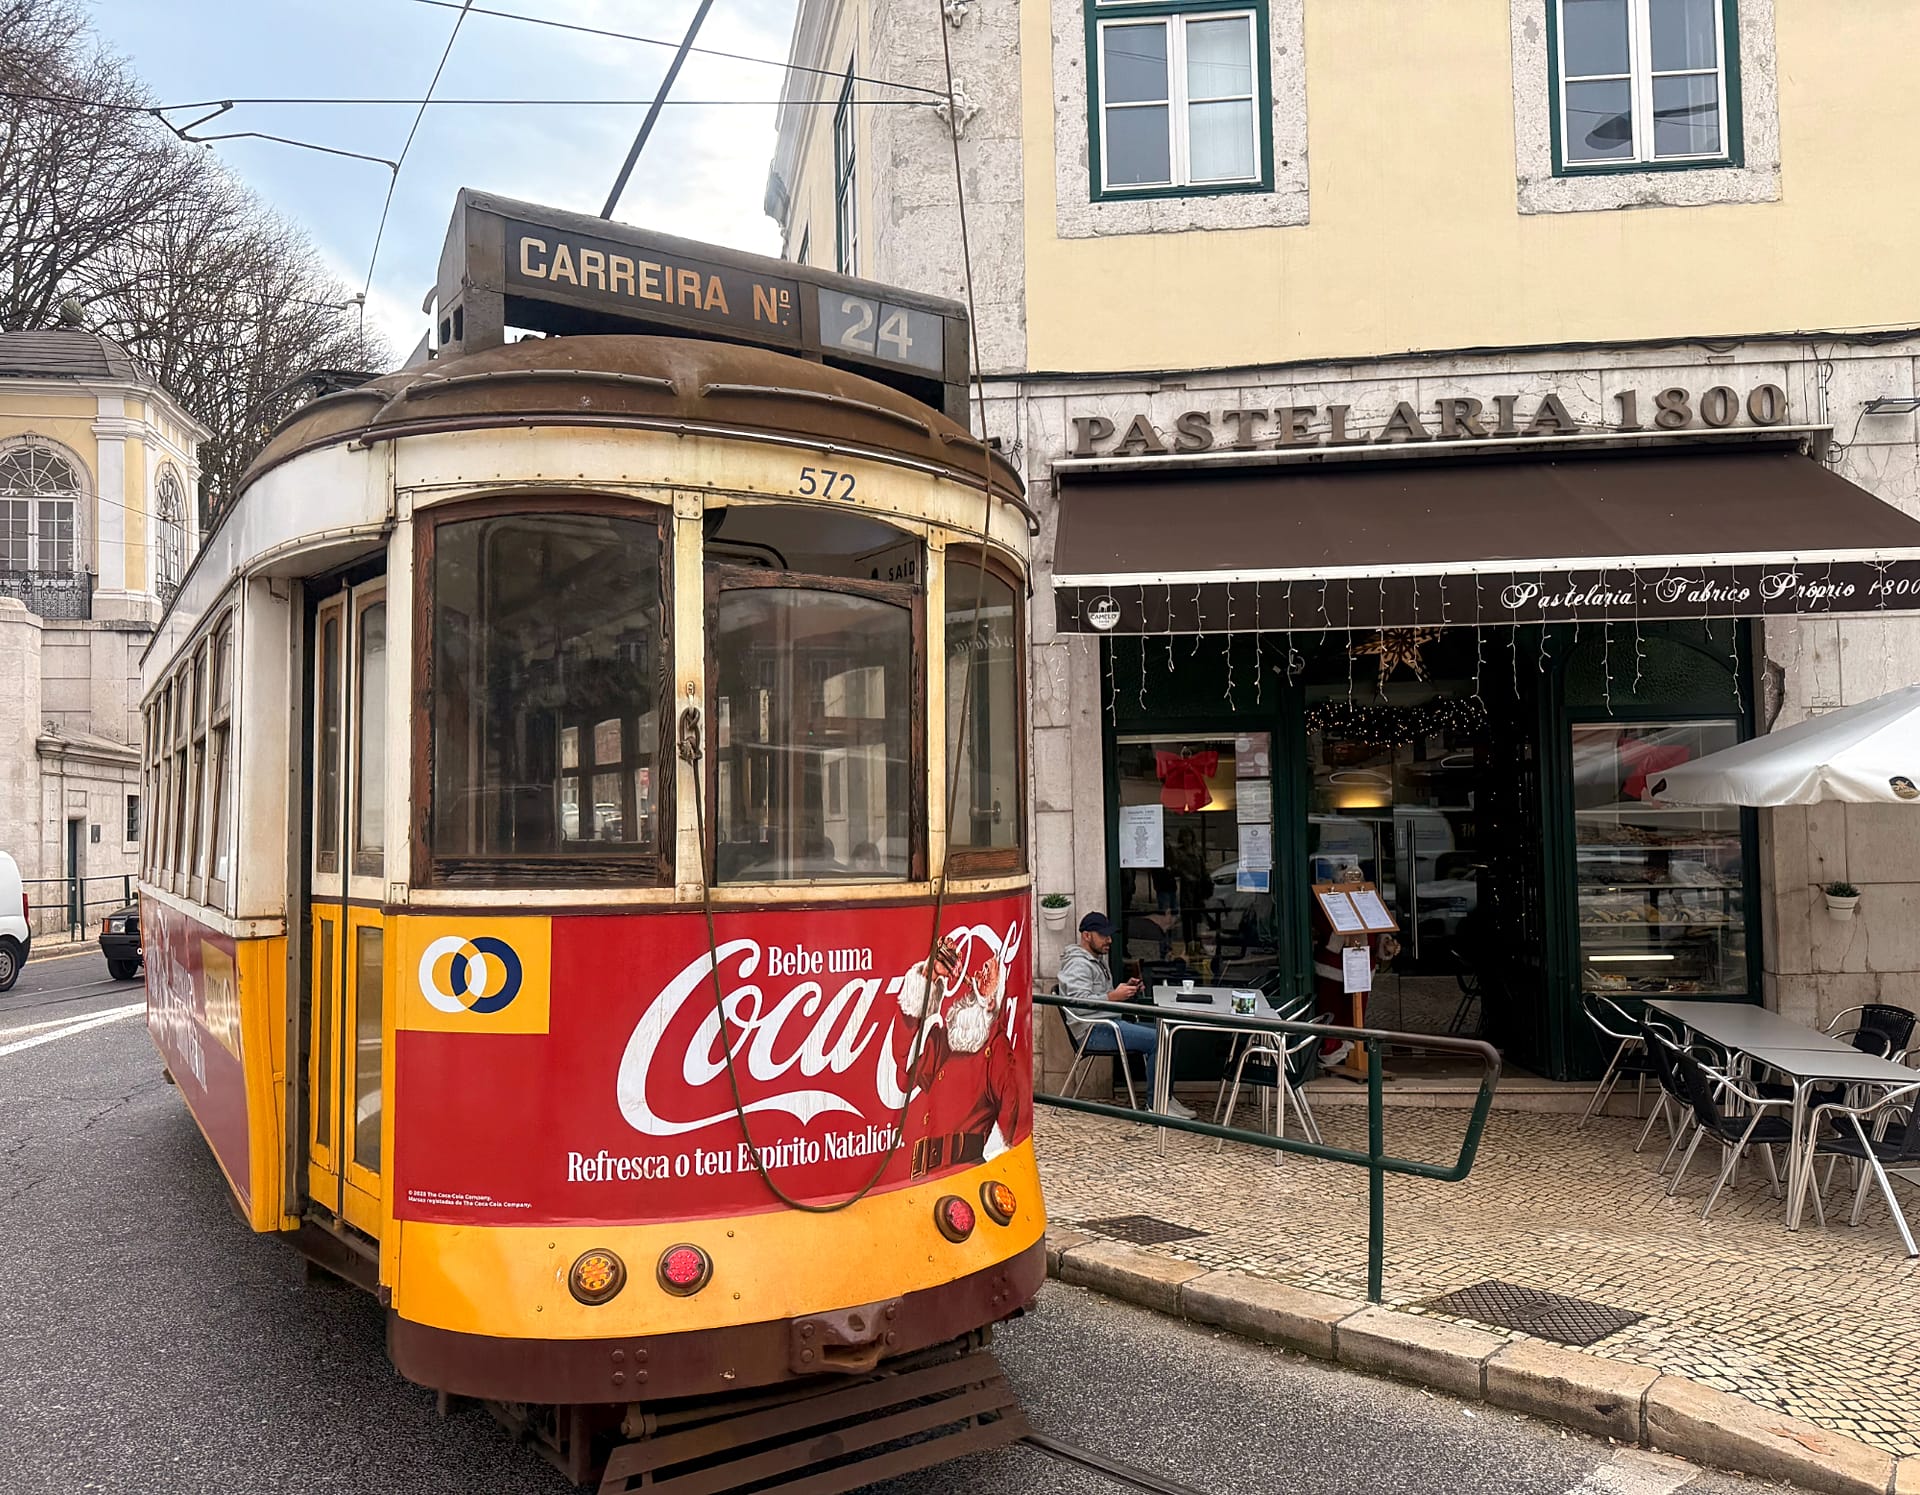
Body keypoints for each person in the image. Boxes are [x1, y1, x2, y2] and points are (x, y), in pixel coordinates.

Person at [1056, 912, 1194, 1119]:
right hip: (1093, 1031)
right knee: (1160, 1039)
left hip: (1106, 1023)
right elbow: (1077, 1004)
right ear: (1086, 935)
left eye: (1109, 935)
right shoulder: (1078, 964)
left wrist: (1125, 990)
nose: (1109, 940)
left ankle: (1165, 1096)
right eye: (1103, 935)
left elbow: (1098, 997)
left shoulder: (1096, 960)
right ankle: (1156, 1104)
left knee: (1170, 1032)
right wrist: (1112, 996)